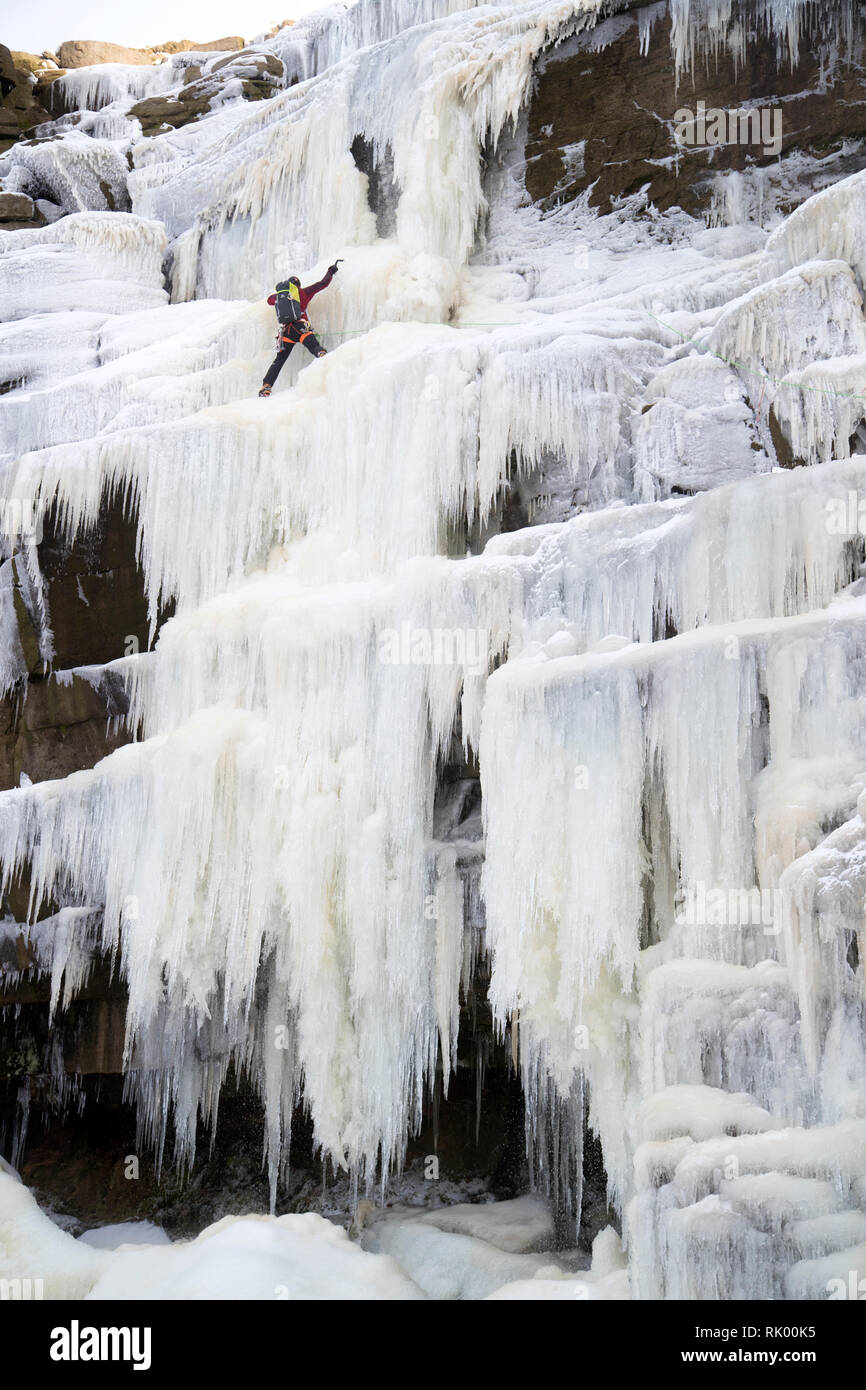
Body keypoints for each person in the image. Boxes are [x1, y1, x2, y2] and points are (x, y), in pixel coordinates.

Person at [258, 261, 342, 397]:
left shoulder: (279, 297)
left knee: (279, 360)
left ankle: (266, 386)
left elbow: (269, 300)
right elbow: (322, 284)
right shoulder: (303, 292)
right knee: (315, 347)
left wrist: (280, 296)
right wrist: (331, 271)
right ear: (298, 286)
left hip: (286, 333)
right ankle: (322, 356)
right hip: (300, 327)